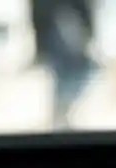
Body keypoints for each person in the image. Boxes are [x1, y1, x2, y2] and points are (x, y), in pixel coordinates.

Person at [32, 0, 97, 129]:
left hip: (64, 23)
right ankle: (60, 118)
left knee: (82, 71)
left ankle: (60, 118)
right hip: (56, 25)